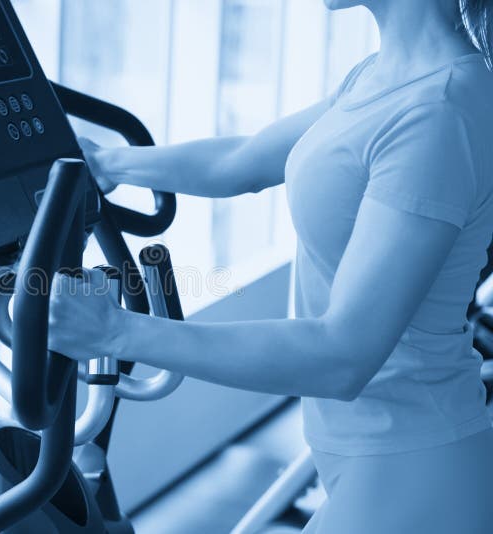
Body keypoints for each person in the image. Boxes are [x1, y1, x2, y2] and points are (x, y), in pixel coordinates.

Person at [48, 1, 493, 532]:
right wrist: (110, 164)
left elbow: (342, 355)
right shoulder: (380, 76)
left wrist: (116, 332)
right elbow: (241, 161)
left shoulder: (439, 112)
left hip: (410, 466)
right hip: (372, 454)